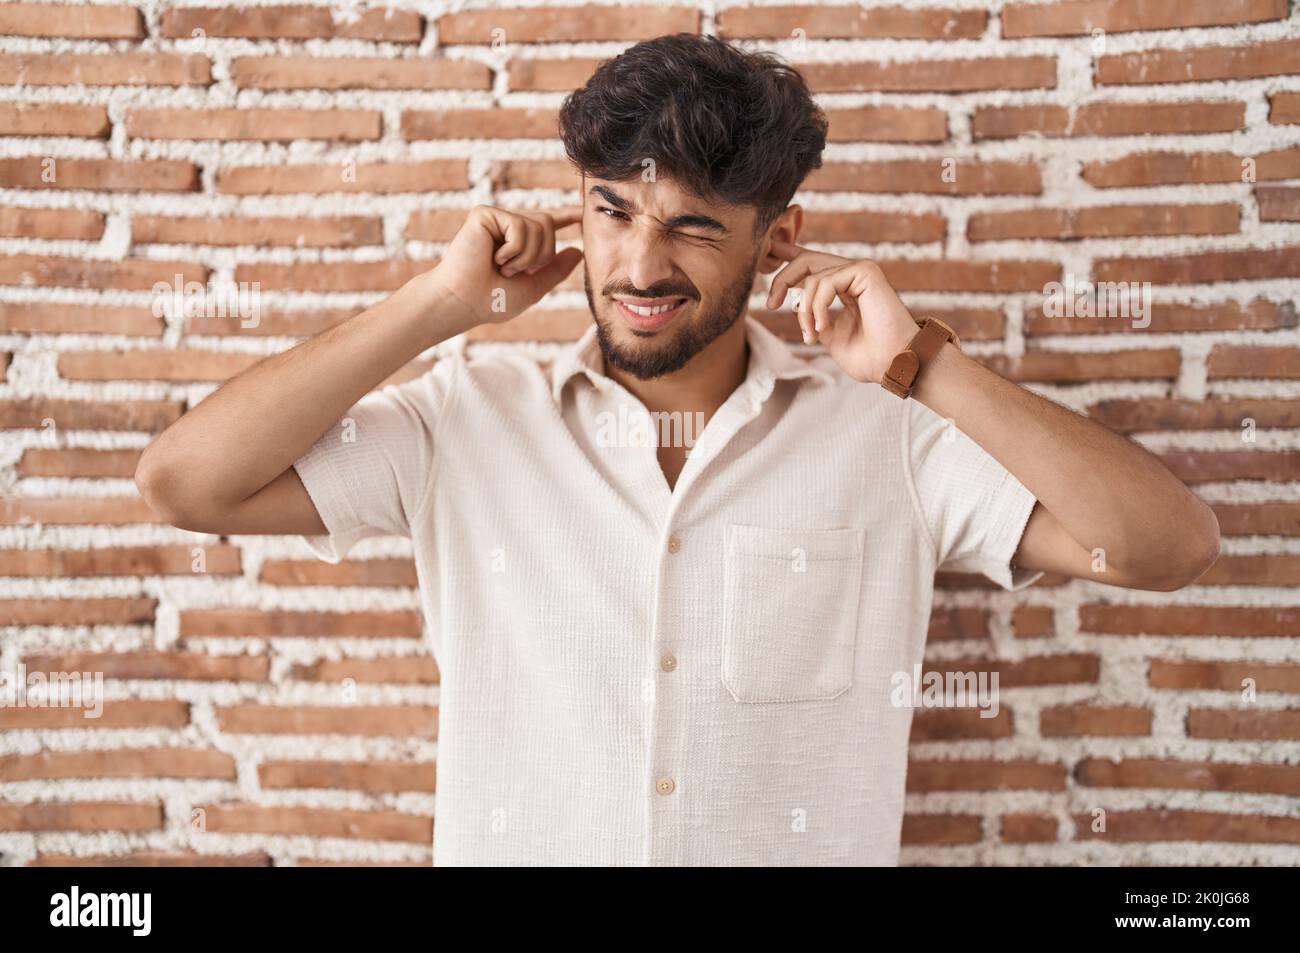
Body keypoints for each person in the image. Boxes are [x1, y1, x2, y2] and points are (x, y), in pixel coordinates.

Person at [135, 34, 1220, 866]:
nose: (639, 267)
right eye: (611, 214)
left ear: (778, 239)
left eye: (693, 226)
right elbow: (183, 482)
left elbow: (1163, 546)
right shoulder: (465, 414)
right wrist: (437, 306)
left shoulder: (885, 436)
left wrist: (924, 366)